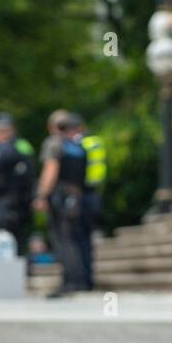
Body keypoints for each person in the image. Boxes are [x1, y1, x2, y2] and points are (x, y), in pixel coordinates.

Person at [34, 110, 87, 297]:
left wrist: (41, 195)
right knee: (71, 238)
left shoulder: (53, 144)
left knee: (61, 239)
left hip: (60, 196)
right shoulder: (77, 145)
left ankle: (69, 282)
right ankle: (78, 280)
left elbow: (51, 170)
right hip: (76, 196)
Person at [69, 113, 106, 291]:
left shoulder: (79, 144)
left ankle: (82, 280)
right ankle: (88, 278)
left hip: (81, 195)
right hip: (94, 195)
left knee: (80, 239)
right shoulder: (96, 142)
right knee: (86, 240)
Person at [0, 113, 35, 253]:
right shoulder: (24, 145)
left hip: (7, 203)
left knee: (4, 243)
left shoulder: (5, 148)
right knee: (19, 243)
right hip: (22, 203)